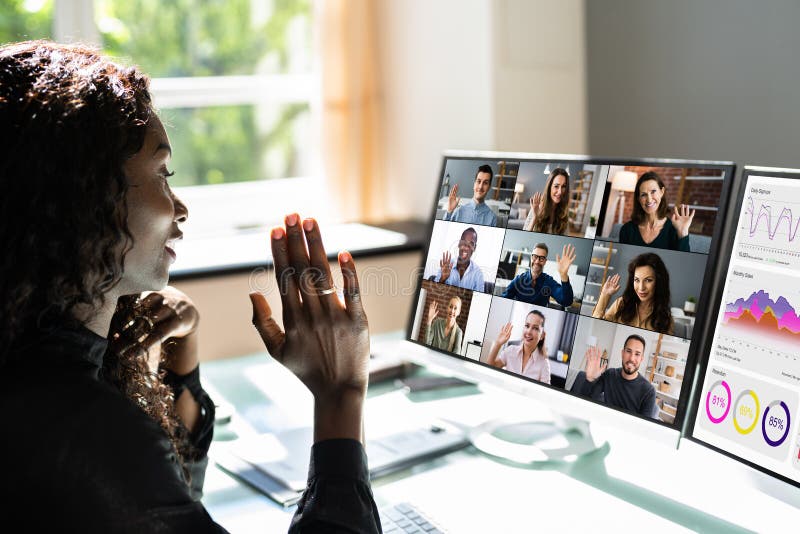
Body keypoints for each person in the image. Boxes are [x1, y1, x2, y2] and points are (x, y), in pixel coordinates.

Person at [0, 41, 379, 533]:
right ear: (82, 194)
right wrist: (340, 393)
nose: (180, 208)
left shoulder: (35, 364)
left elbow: (170, 504)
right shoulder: (80, 432)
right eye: (162, 173)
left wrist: (183, 353)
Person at [570, 335, 657, 418]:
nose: (631, 358)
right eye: (628, 351)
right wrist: (590, 379)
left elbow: (643, 428)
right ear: (622, 353)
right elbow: (587, 401)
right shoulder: (610, 374)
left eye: (637, 354)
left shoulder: (649, 391)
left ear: (641, 358)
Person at [592, 252, 674, 335]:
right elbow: (596, 328)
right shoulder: (621, 303)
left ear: (659, 282)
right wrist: (605, 295)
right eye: (637, 280)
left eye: (648, 280)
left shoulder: (666, 319)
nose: (641, 287)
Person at [618, 171, 695, 251]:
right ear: (639, 199)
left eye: (653, 192)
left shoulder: (674, 230)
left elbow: (683, 261)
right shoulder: (627, 230)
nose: (649, 200)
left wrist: (683, 233)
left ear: (662, 192)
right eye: (643, 195)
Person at [501, 242, 576, 309]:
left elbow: (566, 302)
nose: (537, 261)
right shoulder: (518, 280)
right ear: (531, 257)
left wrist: (563, 275)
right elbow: (503, 300)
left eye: (541, 258)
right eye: (535, 256)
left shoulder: (549, 281)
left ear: (545, 261)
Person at [484, 310, 551, 384]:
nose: (528, 331)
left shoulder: (544, 363)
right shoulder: (510, 351)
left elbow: (544, 392)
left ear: (542, 335)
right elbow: (489, 368)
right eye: (527, 326)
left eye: (535, 328)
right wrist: (498, 344)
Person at [433, 227, 485, 291]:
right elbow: (435, 290)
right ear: (459, 244)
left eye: (471, 244)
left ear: (474, 248)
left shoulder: (478, 273)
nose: (466, 247)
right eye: (464, 242)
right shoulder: (446, 265)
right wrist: (442, 279)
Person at [523, 167, 570, 235]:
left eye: (563, 186)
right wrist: (534, 218)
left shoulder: (564, 212)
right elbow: (525, 235)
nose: (560, 192)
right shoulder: (537, 207)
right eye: (556, 186)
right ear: (549, 187)